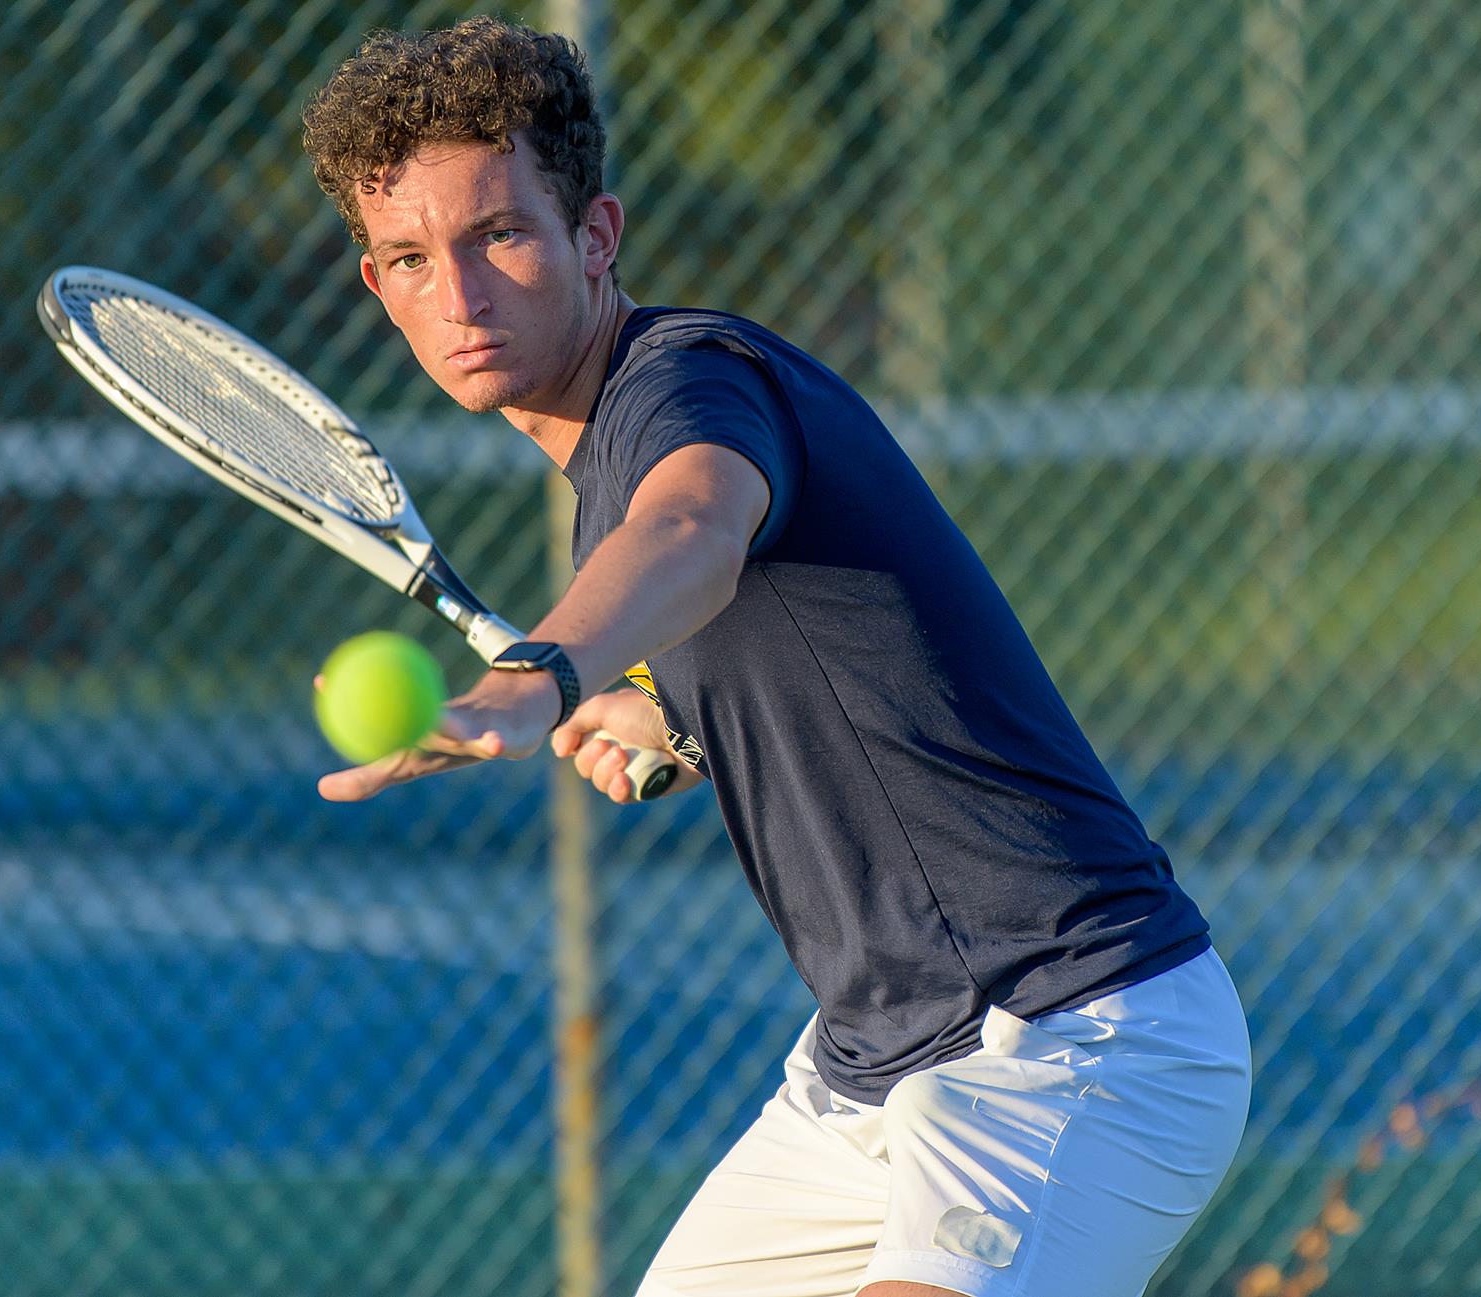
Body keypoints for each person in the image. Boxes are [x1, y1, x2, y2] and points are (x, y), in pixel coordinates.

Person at [302, 17, 1251, 1297]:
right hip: (868, 1074)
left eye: (501, 236)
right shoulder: (606, 462)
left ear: (595, 237)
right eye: (412, 257)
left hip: (1068, 1035)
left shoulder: (688, 383)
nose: (460, 296)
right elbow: (794, 643)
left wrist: (539, 679)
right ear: (376, 284)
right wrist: (676, 725)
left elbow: (693, 526)